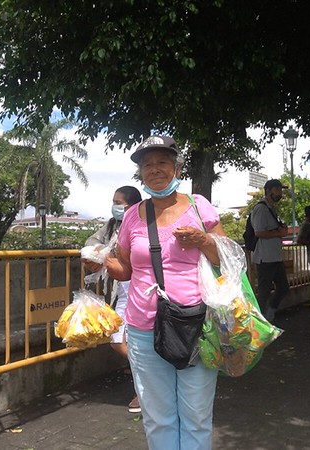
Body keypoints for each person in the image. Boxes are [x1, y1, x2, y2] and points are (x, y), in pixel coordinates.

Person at [105, 136, 225, 449]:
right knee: (158, 416)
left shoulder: (200, 207)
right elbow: (125, 268)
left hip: (196, 324)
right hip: (144, 328)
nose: (154, 170)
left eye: (162, 162)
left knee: (196, 415)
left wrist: (203, 240)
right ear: (140, 174)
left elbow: (227, 258)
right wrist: (100, 261)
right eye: (147, 165)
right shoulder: (133, 215)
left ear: (176, 167)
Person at [82, 185, 143, 413]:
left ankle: (145, 389)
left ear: (132, 204)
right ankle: (149, 378)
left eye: (119, 202)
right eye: (114, 202)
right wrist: (95, 252)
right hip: (122, 289)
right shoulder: (112, 225)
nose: (115, 206)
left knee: (134, 340)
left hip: (141, 289)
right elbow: (91, 242)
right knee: (117, 339)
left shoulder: (143, 224)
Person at [250, 179, 290, 321]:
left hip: (275, 257)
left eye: (280, 190)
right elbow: (259, 232)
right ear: (268, 191)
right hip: (265, 258)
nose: (280, 193)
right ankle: (259, 321)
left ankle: (269, 313)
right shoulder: (261, 209)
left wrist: (280, 229)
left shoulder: (271, 209)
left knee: (283, 287)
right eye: (277, 190)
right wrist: (279, 233)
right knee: (264, 292)